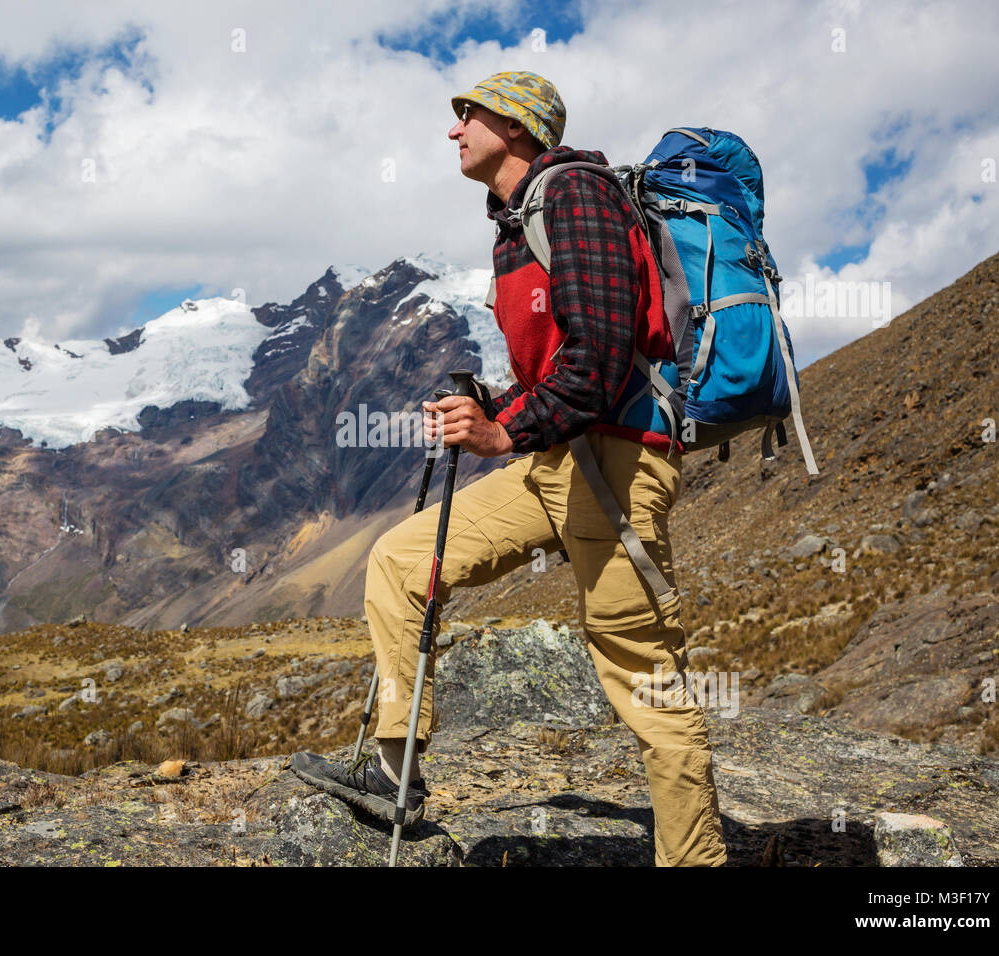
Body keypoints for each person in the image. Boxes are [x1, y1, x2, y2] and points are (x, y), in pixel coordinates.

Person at [291, 70, 727, 866]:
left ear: (518, 128)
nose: (453, 131)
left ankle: (694, 861)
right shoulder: (520, 218)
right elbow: (564, 365)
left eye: (469, 116)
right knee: (399, 562)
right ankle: (395, 773)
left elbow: (595, 363)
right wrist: (492, 401)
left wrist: (500, 433)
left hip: (617, 467)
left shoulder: (577, 197)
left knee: (647, 681)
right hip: (559, 460)